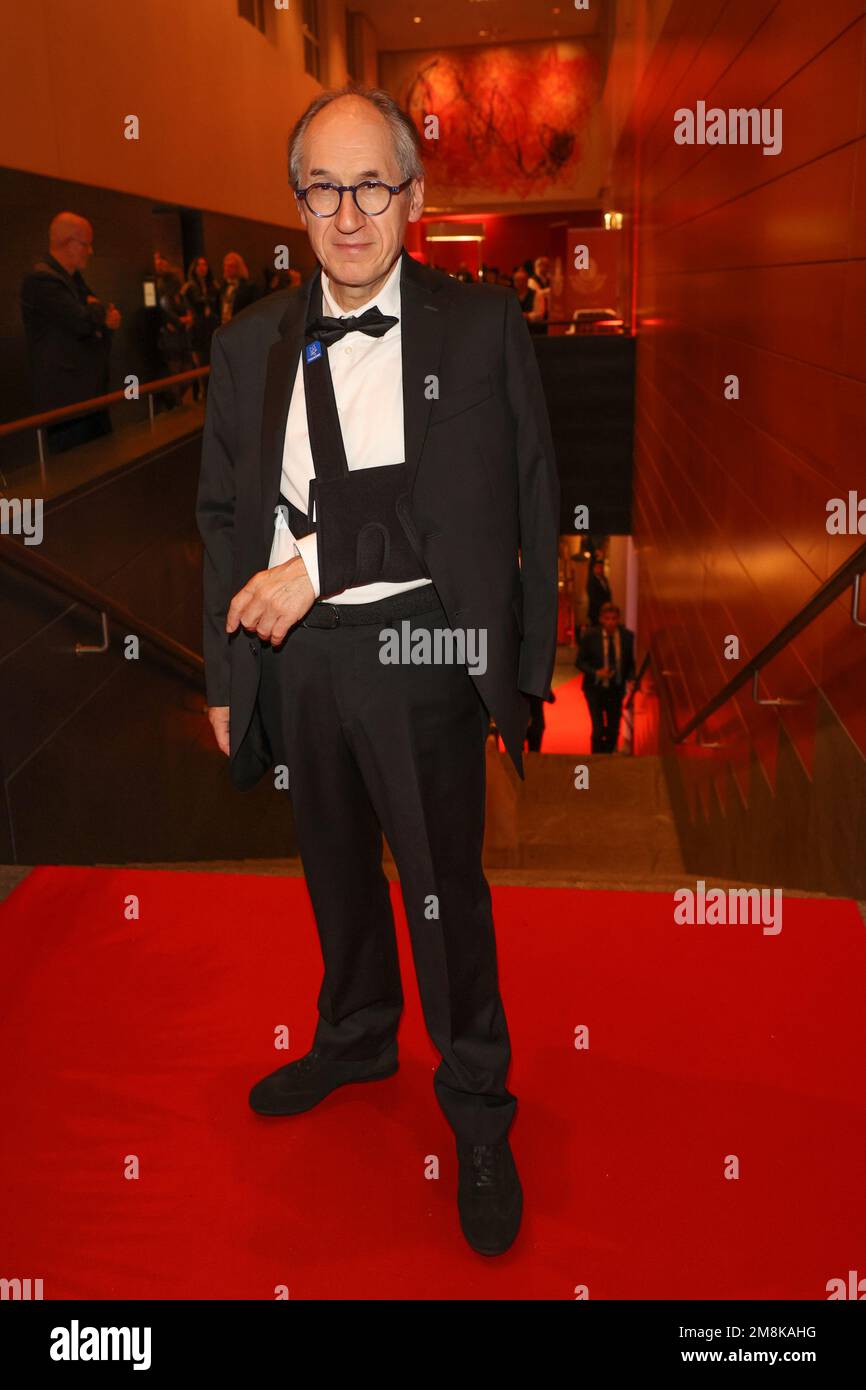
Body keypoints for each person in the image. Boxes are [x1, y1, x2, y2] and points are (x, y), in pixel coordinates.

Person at [196, 83, 559, 1257]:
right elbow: (218, 516)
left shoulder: (476, 323)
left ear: (412, 194)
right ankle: (354, 1033)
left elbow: (495, 504)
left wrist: (524, 659)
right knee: (335, 865)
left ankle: (476, 1103)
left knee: (440, 889)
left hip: (421, 646)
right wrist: (223, 668)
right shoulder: (249, 339)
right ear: (295, 199)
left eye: (370, 185)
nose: (346, 214)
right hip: (294, 660)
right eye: (321, 186)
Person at [20, 211, 121, 454]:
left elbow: (96, 315)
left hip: (91, 397)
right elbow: (83, 321)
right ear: (70, 243)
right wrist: (96, 309)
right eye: (87, 244)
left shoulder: (73, 280)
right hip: (67, 404)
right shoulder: (42, 281)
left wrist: (97, 312)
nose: (91, 251)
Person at [576, 602, 635, 753]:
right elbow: (579, 662)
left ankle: (609, 761)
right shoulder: (590, 636)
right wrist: (596, 672)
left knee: (613, 730)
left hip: (616, 689)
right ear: (601, 619)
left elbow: (630, 662)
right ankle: (596, 761)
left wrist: (631, 678)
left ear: (618, 619)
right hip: (594, 689)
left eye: (614, 619)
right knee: (598, 730)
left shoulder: (627, 637)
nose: (610, 622)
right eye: (607, 618)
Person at [154, 254, 193, 409]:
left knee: (188, 375)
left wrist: (183, 321)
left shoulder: (181, 298)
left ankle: (176, 404)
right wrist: (183, 321)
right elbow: (173, 321)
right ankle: (175, 406)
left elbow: (189, 317)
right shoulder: (165, 300)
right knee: (175, 376)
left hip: (183, 341)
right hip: (171, 344)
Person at [183, 256, 220, 399]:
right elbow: (191, 306)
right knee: (200, 366)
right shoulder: (189, 287)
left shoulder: (214, 285)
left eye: (205, 265)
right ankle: (203, 395)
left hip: (212, 329)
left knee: (213, 364)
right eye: (199, 265)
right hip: (197, 331)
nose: (202, 268)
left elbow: (216, 305)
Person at [219, 252, 260, 322]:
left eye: (231, 266)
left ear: (238, 268)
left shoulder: (249, 287)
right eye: (225, 266)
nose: (227, 269)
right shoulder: (223, 287)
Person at [512, 267, 546, 334]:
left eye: (522, 280)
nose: (519, 283)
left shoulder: (536, 295)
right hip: (515, 331)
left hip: (533, 331)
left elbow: (540, 315)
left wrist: (527, 316)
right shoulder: (511, 295)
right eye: (517, 280)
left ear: (527, 281)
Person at [528, 255, 551, 334]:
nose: (546, 268)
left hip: (549, 311)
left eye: (547, 266)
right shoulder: (532, 280)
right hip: (538, 312)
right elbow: (537, 294)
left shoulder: (549, 279)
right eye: (544, 265)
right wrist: (550, 291)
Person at [586, 556, 612, 626]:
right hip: (596, 611)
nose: (600, 569)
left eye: (601, 567)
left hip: (606, 610)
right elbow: (593, 597)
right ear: (594, 569)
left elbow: (607, 593)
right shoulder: (592, 581)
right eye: (598, 567)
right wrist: (603, 606)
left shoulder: (604, 579)